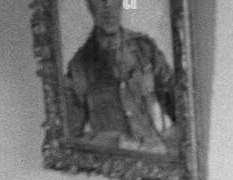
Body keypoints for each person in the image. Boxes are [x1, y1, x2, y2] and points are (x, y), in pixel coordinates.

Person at [65, 0, 177, 153]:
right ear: (89, 5)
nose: (108, 5)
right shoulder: (80, 67)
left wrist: (170, 142)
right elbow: (70, 137)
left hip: (156, 158)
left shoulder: (144, 48)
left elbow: (181, 105)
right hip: (116, 165)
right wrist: (114, 143)